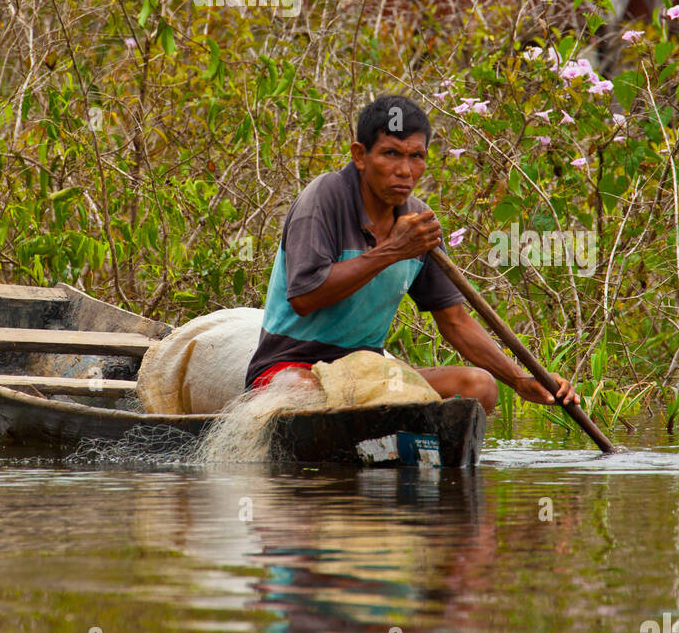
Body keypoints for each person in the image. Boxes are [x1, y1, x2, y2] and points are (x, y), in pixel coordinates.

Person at [244, 93, 581, 413]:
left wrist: (519, 379)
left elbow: (454, 320)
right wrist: (391, 251)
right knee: (307, 394)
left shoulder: (418, 221)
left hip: (367, 369)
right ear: (360, 156)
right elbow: (305, 298)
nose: (405, 170)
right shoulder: (324, 199)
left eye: (416, 156)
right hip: (291, 364)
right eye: (391, 154)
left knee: (480, 386)